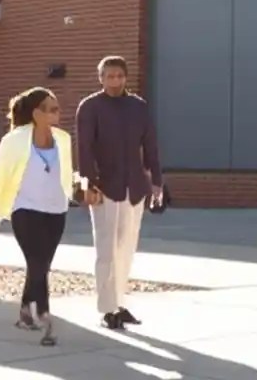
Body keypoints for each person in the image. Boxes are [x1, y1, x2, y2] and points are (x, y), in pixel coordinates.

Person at [0, 86, 75, 347]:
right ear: (37, 113)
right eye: (52, 109)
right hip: (25, 209)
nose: (58, 113)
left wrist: (81, 189)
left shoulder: (63, 140)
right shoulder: (14, 141)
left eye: (57, 108)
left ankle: (25, 312)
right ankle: (44, 315)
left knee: (41, 265)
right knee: (36, 262)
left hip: (56, 210)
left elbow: (66, 173)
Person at [75, 55, 164, 331]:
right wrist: (88, 185)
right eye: (109, 76)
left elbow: (150, 145)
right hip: (104, 188)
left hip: (135, 188)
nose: (114, 81)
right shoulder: (89, 107)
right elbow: (84, 149)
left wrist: (157, 181)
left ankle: (120, 303)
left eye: (119, 76)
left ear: (126, 77)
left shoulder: (138, 107)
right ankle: (106, 309)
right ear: (100, 78)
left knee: (126, 248)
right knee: (106, 250)